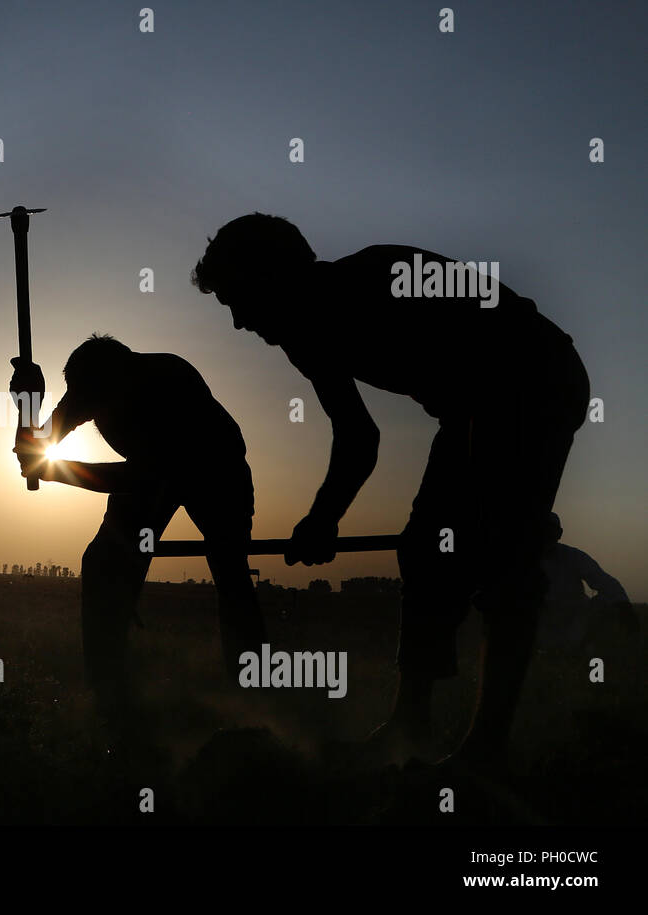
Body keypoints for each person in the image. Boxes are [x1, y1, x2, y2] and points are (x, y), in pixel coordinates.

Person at [191, 213, 590, 770]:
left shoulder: (380, 276)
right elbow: (358, 434)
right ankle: (410, 728)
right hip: (471, 407)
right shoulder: (304, 336)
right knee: (425, 550)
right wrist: (323, 517)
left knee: (504, 561)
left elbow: (492, 354)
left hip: (535, 374)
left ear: (271, 276)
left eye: (236, 299)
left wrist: (504, 505)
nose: (236, 322)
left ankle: (487, 752)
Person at [10, 335, 264, 714]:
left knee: (230, 572)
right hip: (148, 473)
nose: (93, 412)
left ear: (124, 375)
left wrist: (57, 472)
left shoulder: (169, 380)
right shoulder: (90, 389)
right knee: (102, 563)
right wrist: (28, 402)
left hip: (216, 471)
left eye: (100, 403)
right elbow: (31, 450)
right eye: (87, 406)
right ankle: (108, 694)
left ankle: (253, 698)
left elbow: (142, 478)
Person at [537, 513, 634, 650]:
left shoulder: (572, 556)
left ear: (559, 534)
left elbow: (604, 581)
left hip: (576, 622)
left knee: (607, 601)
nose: (546, 535)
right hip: (543, 626)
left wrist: (624, 606)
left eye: (550, 531)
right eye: (543, 530)